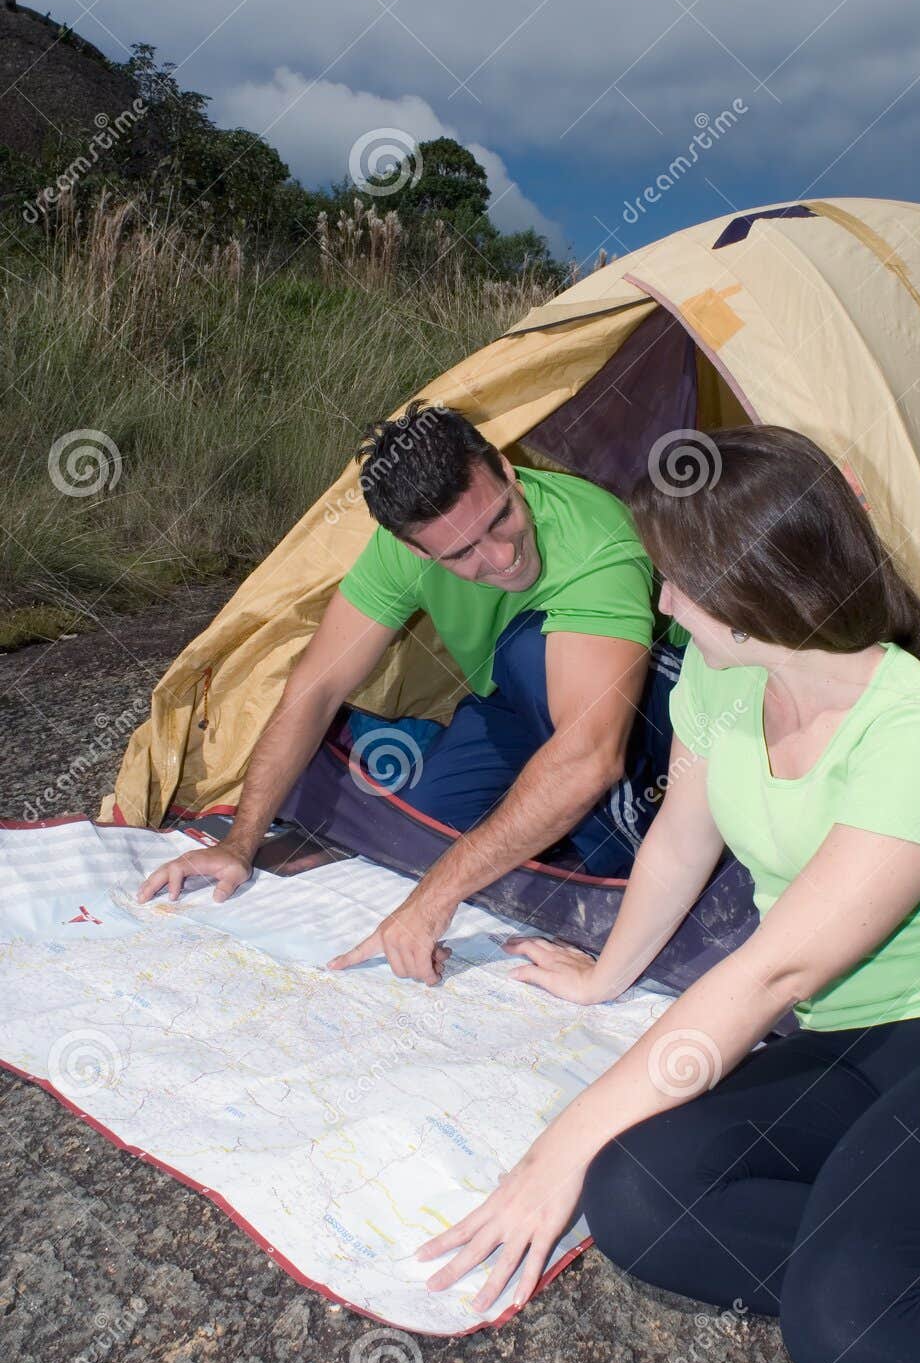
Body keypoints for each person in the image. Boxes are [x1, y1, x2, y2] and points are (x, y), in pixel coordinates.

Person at [418, 425, 920, 1363]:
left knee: (845, 1330)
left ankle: (893, 1282)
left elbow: (774, 971)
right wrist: (602, 978)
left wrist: (558, 1144)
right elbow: (681, 841)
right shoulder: (723, 680)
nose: (663, 602)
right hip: (851, 1038)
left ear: (750, 588)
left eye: (678, 582)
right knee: (637, 1198)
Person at [137, 403, 686, 983]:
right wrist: (240, 844)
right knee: (425, 829)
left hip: (650, 709)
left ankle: (626, 855)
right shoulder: (403, 550)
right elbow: (317, 688)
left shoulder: (595, 539)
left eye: (501, 517)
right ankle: (549, 835)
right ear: (419, 550)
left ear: (505, 470)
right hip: (514, 700)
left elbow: (588, 757)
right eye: (461, 553)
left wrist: (431, 904)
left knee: (528, 654)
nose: (501, 557)